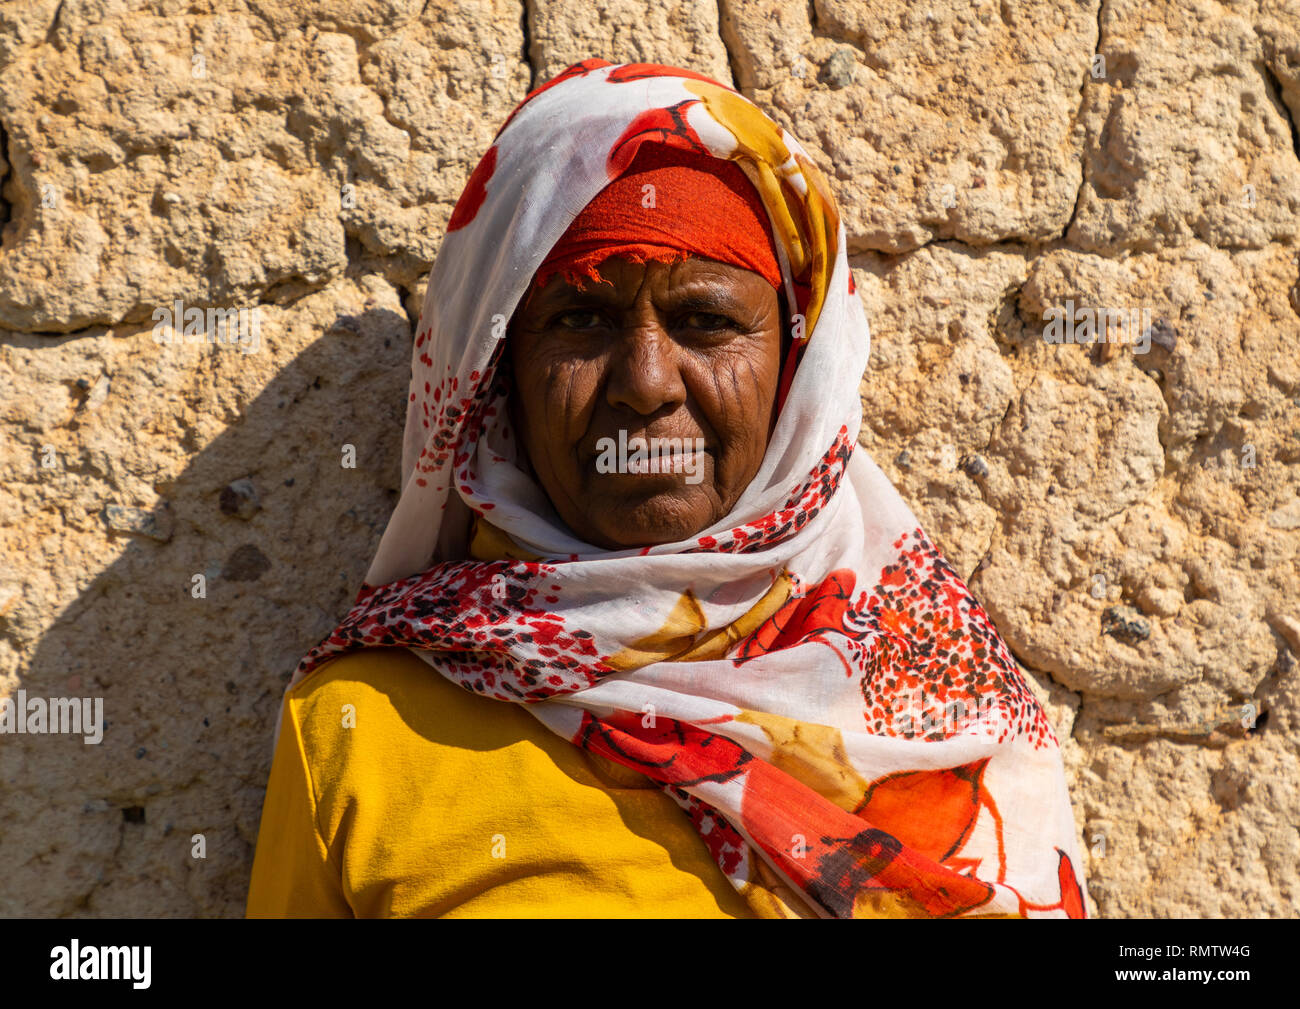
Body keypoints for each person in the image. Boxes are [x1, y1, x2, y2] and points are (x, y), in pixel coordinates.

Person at [246, 58, 1086, 919]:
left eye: (706, 321)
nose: (645, 382)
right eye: (580, 319)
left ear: (797, 367)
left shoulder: (951, 719)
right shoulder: (361, 731)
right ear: (498, 373)